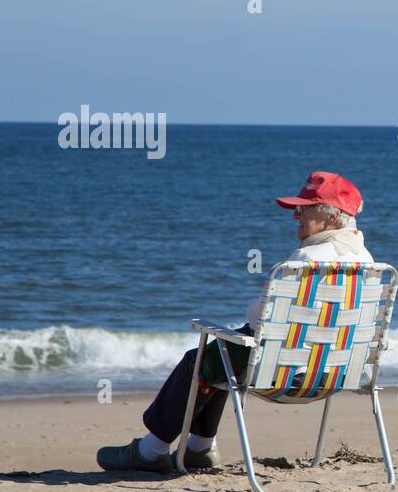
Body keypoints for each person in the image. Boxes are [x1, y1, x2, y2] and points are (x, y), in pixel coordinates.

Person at [96, 172, 374, 473]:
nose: (296, 214)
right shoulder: (370, 263)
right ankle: (199, 449)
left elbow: (261, 318)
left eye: (305, 208)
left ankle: (151, 451)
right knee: (223, 356)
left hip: (285, 375)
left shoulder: (308, 257)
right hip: (333, 375)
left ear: (332, 217)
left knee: (201, 359)